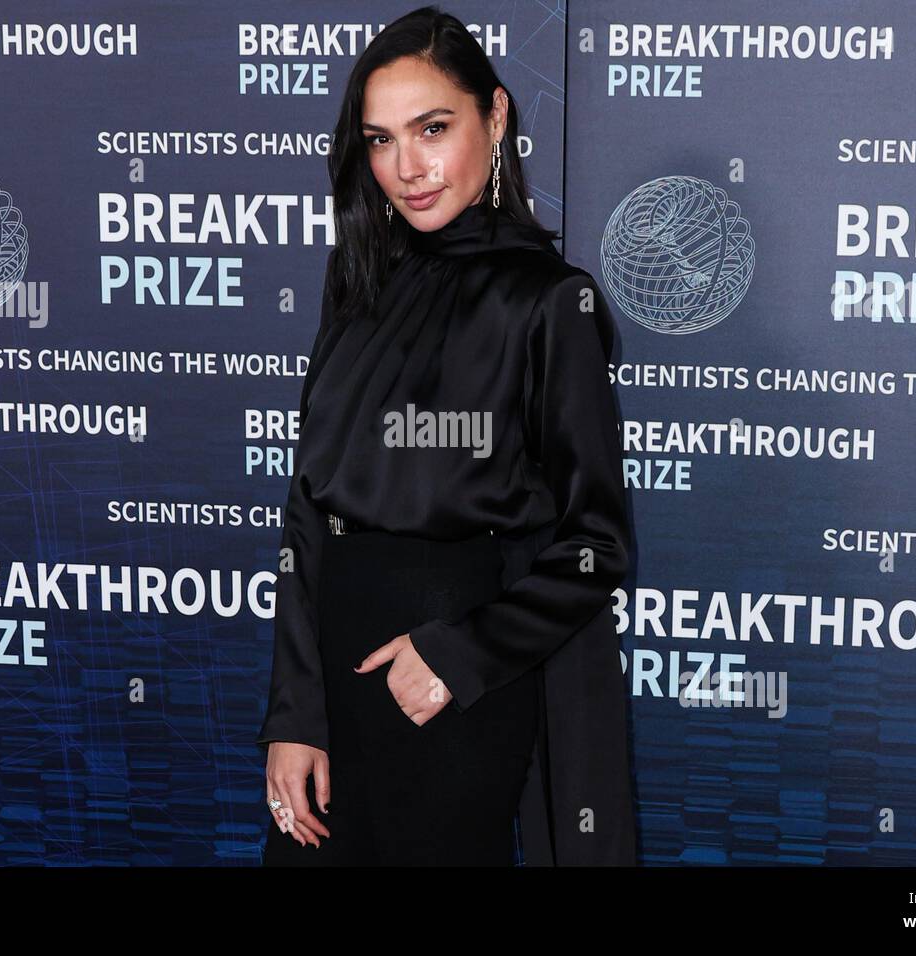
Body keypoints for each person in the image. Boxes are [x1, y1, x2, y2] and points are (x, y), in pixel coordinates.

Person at [256, 6, 637, 866]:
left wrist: (461, 656)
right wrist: (294, 714)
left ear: (495, 116)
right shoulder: (356, 280)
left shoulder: (548, 303)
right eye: (381, 140)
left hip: (454, 683)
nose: (406, 168)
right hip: (338, 657)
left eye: (433, 129)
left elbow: (596, 543)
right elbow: (307, 505)